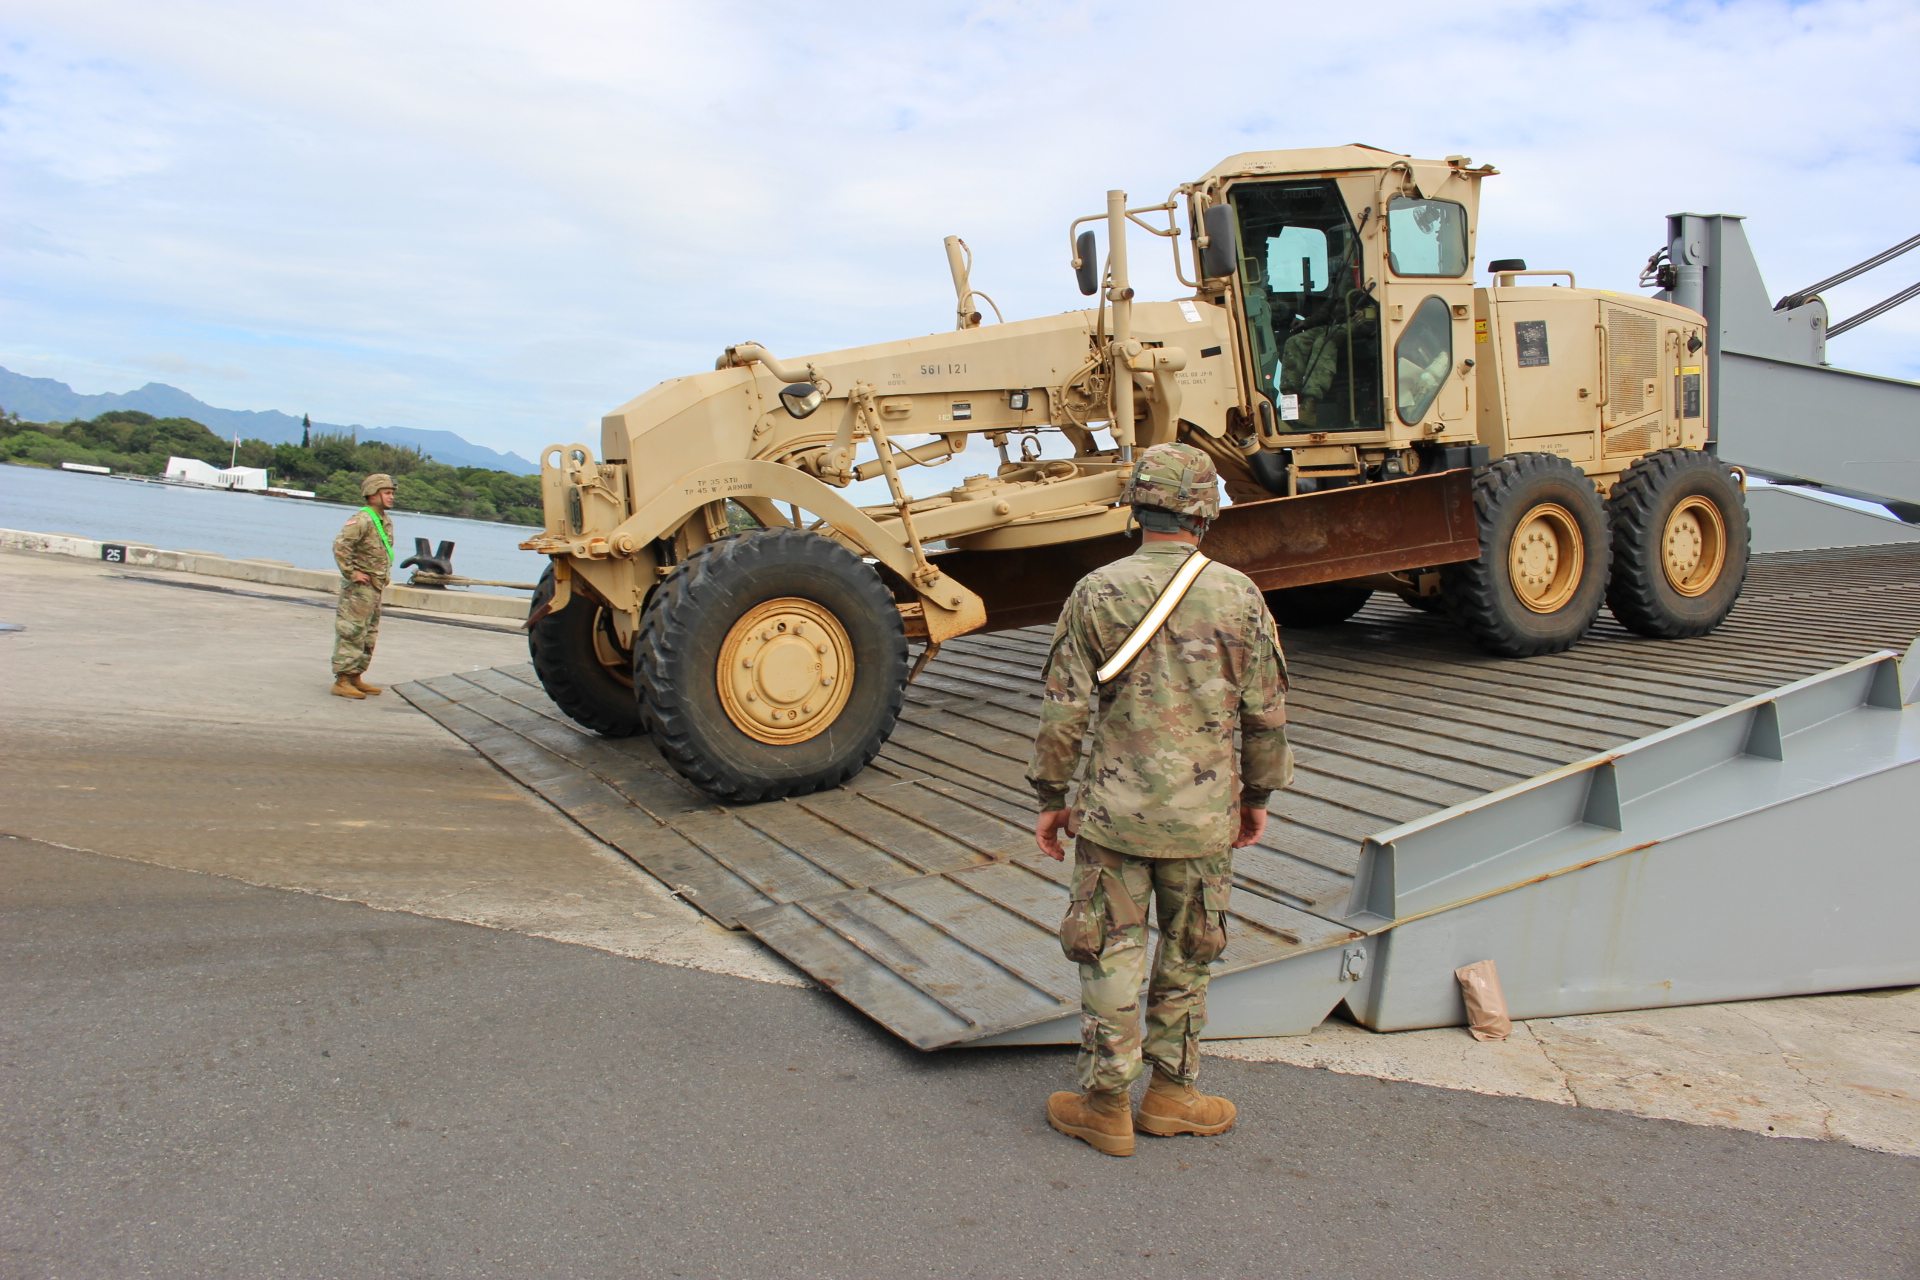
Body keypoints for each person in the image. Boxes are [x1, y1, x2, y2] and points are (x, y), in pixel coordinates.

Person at [1026, 442, 1293, 1157]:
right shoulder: (1239, 595)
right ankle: (1173, 1095)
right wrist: (1255, 796)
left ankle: (1105, 1104)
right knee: (1188, 953)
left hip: (1113, 817)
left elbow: (1063, 713)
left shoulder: (1095, 591)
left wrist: (1053, 797)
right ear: (1204, 511)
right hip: (1203, 821)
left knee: (1110, 951)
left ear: (1136, 508)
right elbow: (1265, 713)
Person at [331, 473, 397, 700]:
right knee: (352, 630)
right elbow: (341, 546)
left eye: (392, 493)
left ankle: (356, 675)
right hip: (359, 589)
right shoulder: (362, 519)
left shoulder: (383, 520)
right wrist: (352, 573)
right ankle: (342, 679)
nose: (391, 497)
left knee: (368, 633)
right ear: (373, 494)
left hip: (374, 587)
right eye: (387, 493)